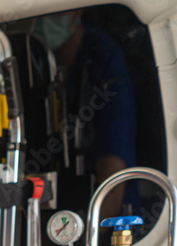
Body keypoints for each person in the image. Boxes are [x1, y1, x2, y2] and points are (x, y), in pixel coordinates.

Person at [34, 11, 138, 220]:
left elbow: (114, 158)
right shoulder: (33, 57)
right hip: (51, 210)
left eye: (56, 13)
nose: (45, 20)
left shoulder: (103, 57)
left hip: (108, 214)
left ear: (76, 12)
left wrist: (92, 234)